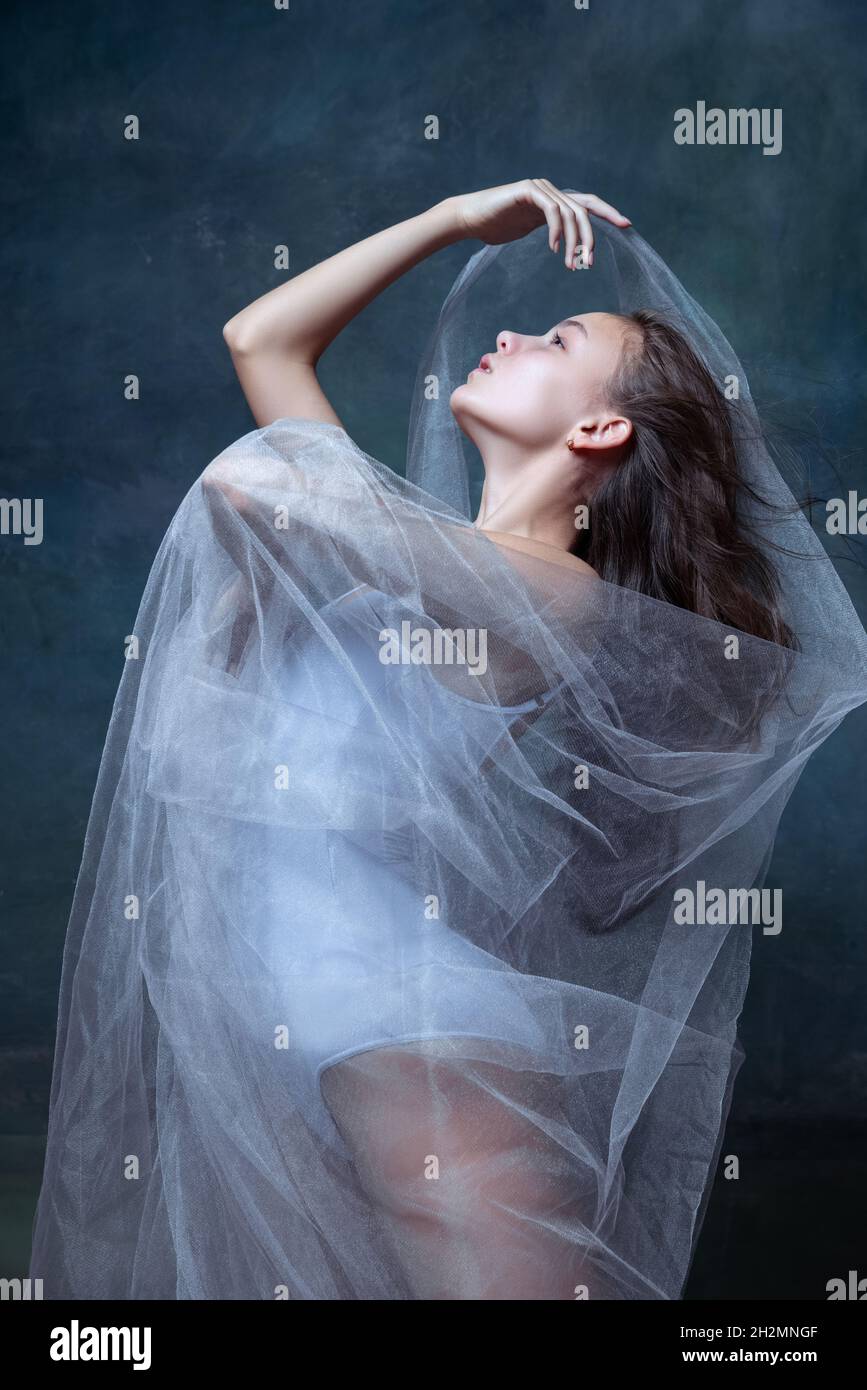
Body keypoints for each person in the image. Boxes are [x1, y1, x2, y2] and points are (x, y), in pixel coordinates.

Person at [29, 180, 867, 1300]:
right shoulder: (414, 556)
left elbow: (251, 484)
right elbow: (260, 337)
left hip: (423, 1041)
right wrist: (452, 221)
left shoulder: (555, 595)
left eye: (557, 338)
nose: (509, 332)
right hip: (319, 1040)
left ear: (600, 427)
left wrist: (300, 486)